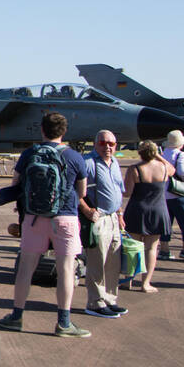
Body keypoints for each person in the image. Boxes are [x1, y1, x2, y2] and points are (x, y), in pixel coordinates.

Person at [0, 112, 91, 337]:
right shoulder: (75, 157)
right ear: (64, 132)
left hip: (34, 217)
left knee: (26, 268)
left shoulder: (29, 153)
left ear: (42, 130)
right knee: (67, 268)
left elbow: (15, 183)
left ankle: (16, 317)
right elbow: (82, 192)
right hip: (65, 218)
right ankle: (64, 323)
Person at [80, 130, 128, 318]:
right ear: (95, 143)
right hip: (98, 219)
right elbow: (74, 191)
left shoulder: (115, 162)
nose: (108, 147)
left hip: (114, 218)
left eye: (111, 144)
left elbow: (118, 190)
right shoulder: (88, 163)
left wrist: (120, 213)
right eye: (103, 143)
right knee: (97, 262)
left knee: (113, 262)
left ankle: (109, 299)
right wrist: (86, 210)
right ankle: (95, 302)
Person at [122, 141, 173, 293]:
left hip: (137, 210)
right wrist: (159, 156)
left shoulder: (135, 169)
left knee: (133, 248)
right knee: (151, 248)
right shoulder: (164, 168)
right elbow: (173, 169)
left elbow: (127, 192)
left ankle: (128, 280)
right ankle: (146, 283)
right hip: (158, 210)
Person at [159, 130, 184, 262]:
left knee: (166, 223)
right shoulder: (181, 155)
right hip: (180, 193)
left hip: (164, 194)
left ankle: (164, 249)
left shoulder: (162, 155)